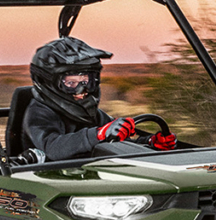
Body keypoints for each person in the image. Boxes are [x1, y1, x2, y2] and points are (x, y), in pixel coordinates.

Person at [23, 36, 177, 161]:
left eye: (86, 81)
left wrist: (149, 142)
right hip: (48, 181)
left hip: (87, 175)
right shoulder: (38, 112)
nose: (82, 89)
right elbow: (53, 149)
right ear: (47, 82)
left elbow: (116, 142)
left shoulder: (90, 113)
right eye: (71, 83)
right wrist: (98, 134)